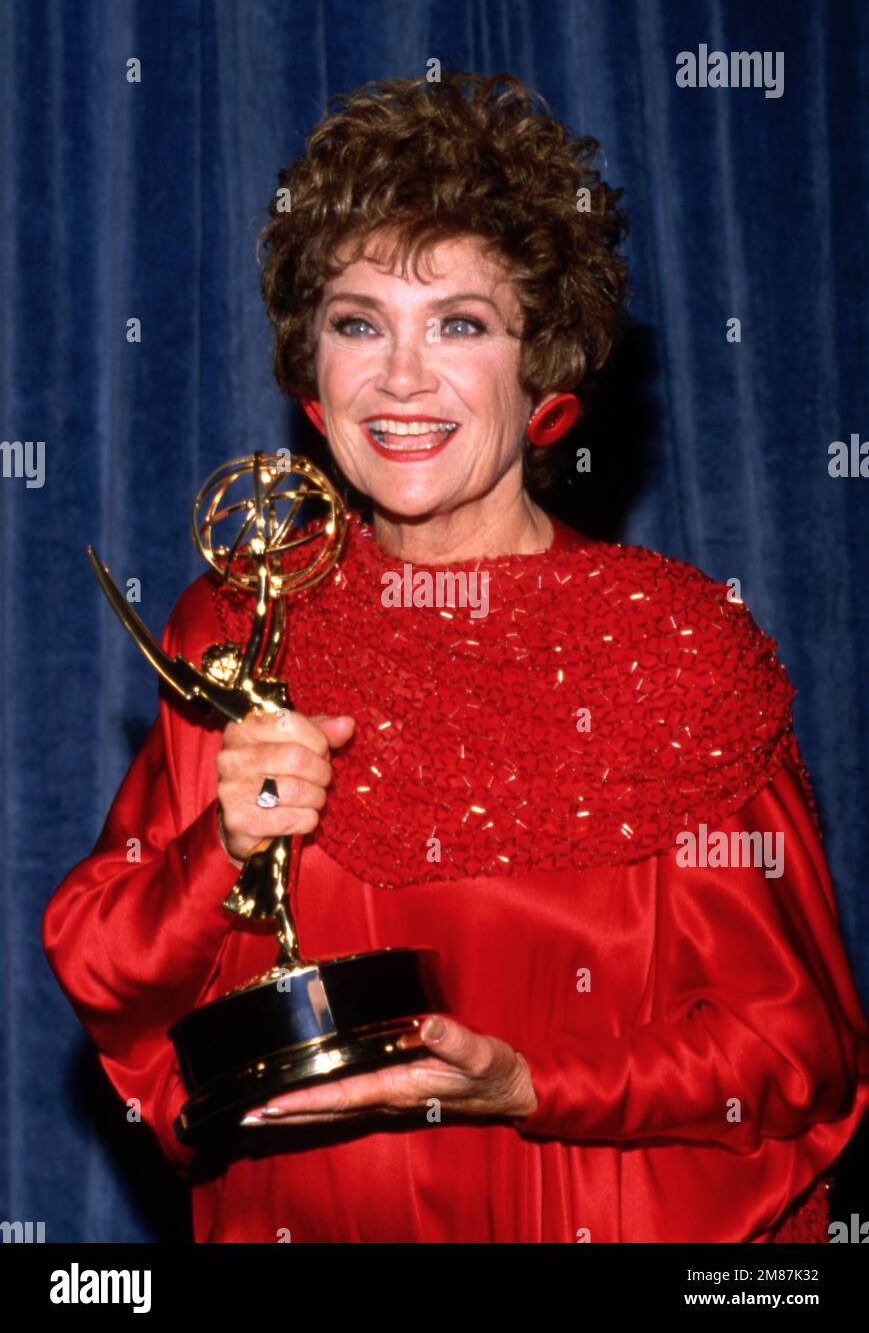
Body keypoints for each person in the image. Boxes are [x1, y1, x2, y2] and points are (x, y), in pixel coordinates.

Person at [44, 71, 869, 1243]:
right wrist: (215, 849)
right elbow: (111, 970)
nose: (400, 378)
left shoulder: (674, 647)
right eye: (357, 322)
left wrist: (529, 1086)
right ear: (309, 369)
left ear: (545, 369)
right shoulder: (237, 620)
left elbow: (793, 1052)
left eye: (460, 325)